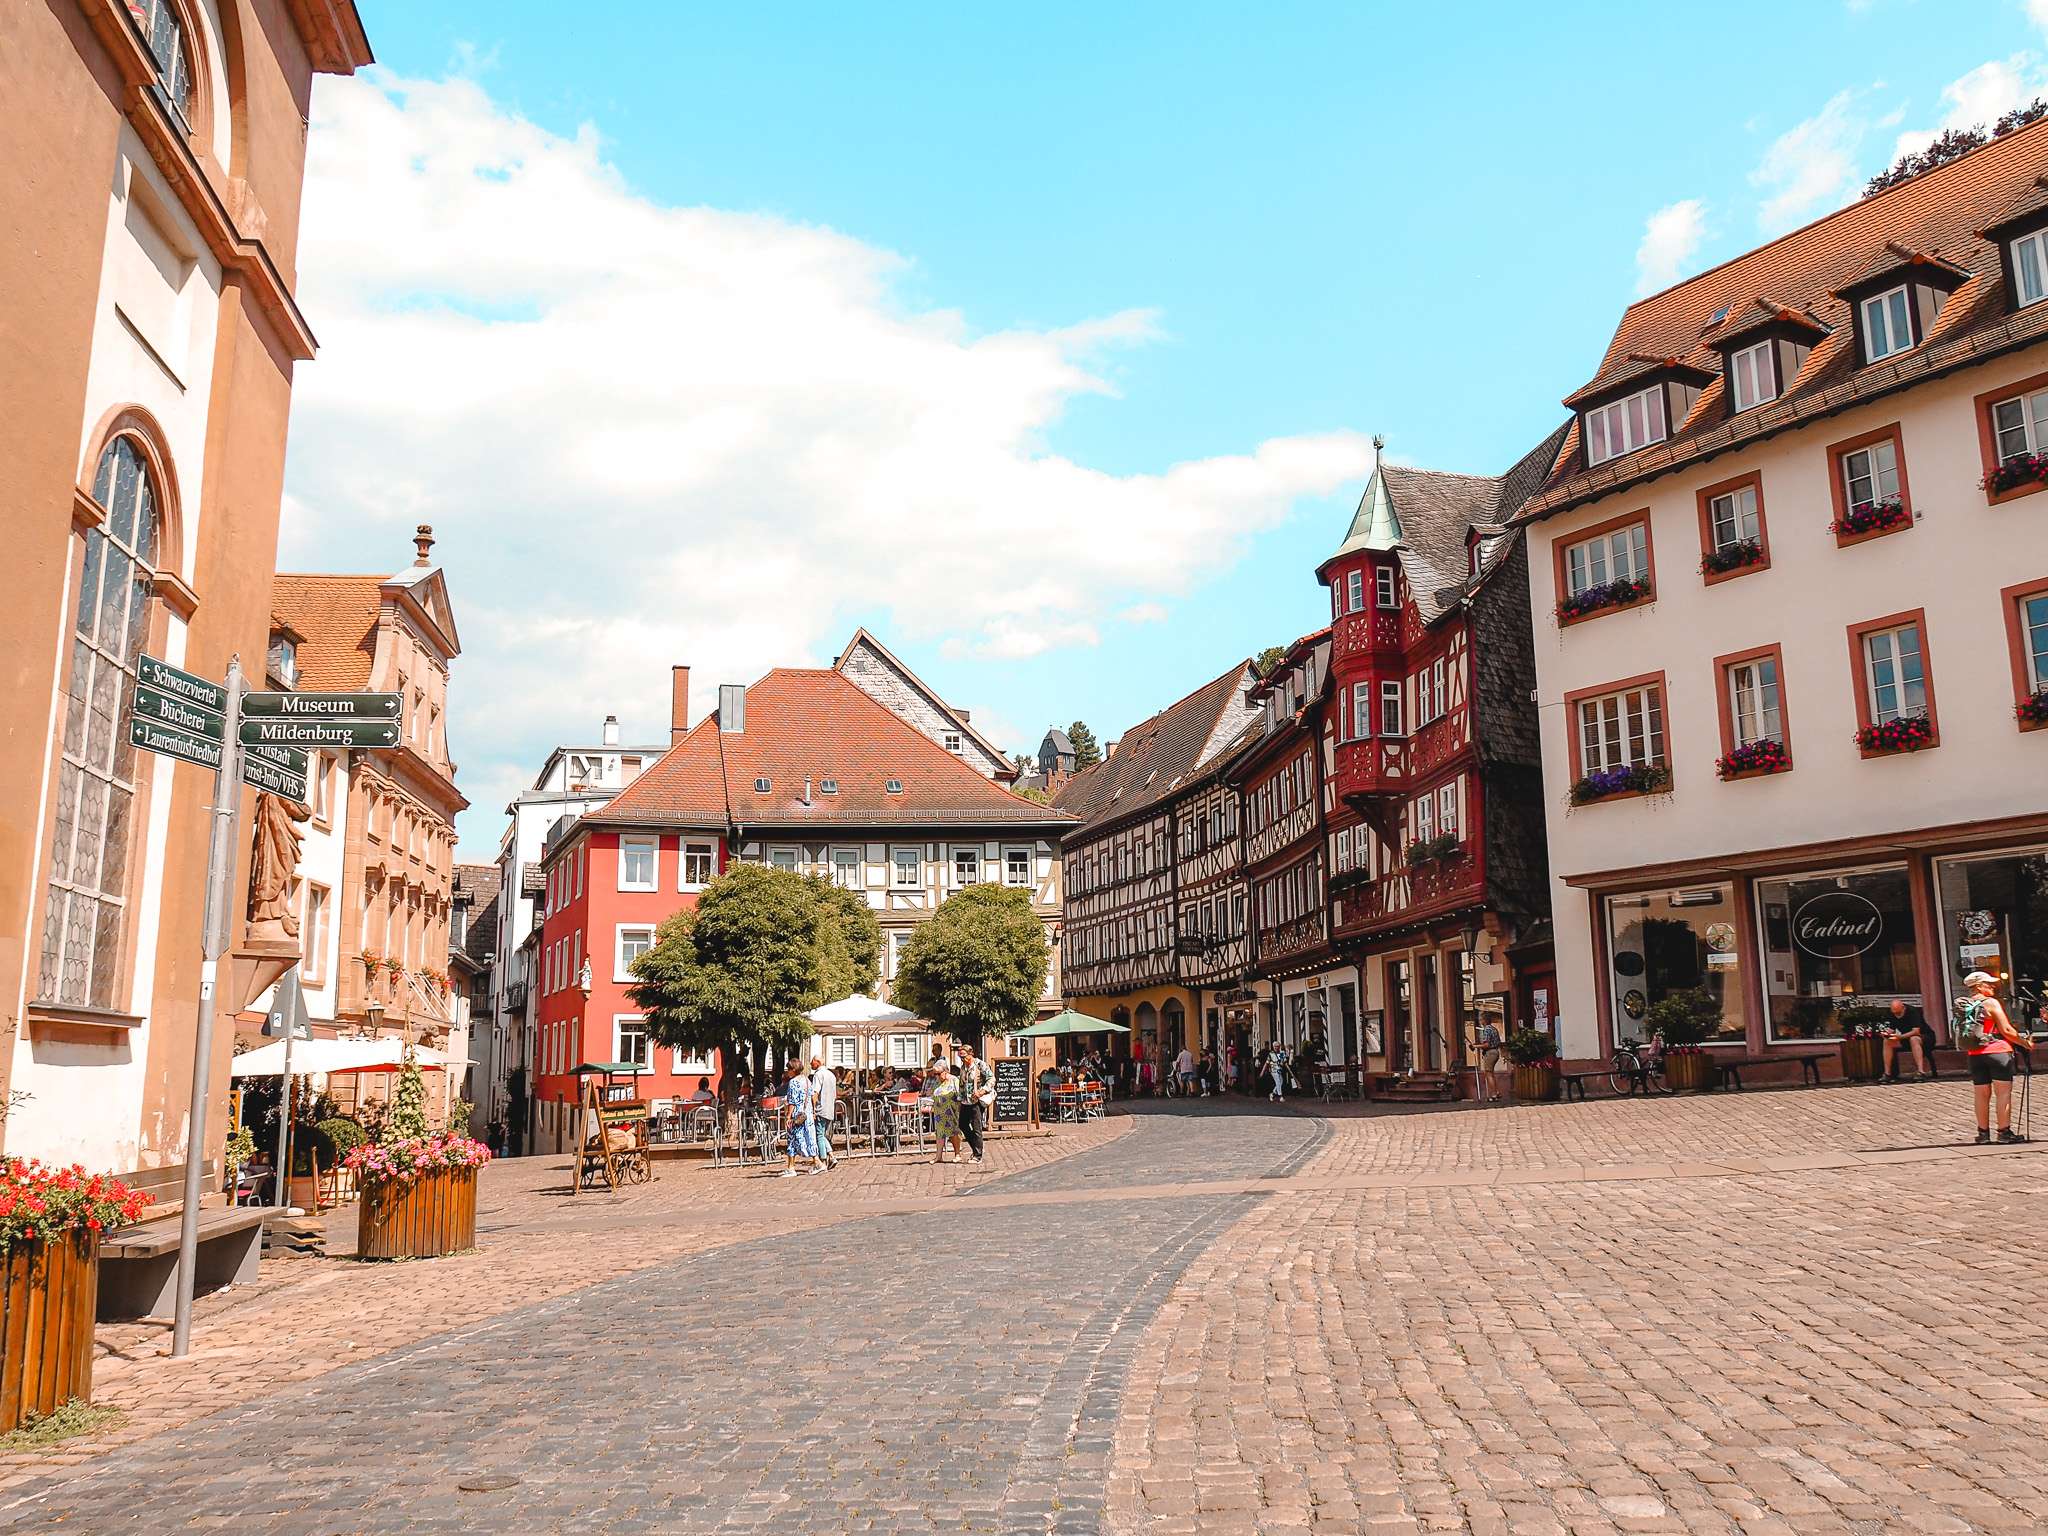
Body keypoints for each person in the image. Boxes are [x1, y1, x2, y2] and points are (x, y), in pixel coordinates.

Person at [1957, 971, 2030, 1144]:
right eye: (1988, 984)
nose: (1992, 986)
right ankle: (2004, 1132)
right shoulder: (1991, 1003)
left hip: (1974, 1054)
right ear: (1978, 986)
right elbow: (2006, 1031)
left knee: (1981, 1095)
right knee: (2003, 1093)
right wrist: (2025, 1043)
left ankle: (1983, 1134)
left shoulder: (1966, 1004)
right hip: (1997, 1051)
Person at [780, 1060, 819, 1176]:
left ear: (793, 1070)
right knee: (809, 1138)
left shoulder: (793, 1082)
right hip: (807, 1114)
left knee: (792, 1139)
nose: (787, 1072)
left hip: (797, 1115)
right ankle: (817, 1162)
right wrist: (813, 1111)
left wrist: (788, 1116)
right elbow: (813, 1097)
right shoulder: (807, 1080)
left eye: (789, 1069)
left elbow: (792, 1101)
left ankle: (791, 1167)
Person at [1882, 998, 1937, 1081]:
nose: (1897, 1015)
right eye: (1895, 1013)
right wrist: (1887, 1034)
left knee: (1914, 1039)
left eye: (1899, 1013)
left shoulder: (1912, 1011)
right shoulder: (1893, 1014)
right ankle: (1887, 1073)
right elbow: (1891, 1029)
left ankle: (1921, 1071)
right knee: (1887, 1041)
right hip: (1905, 1038)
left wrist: (1899, 1037)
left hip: (1925, 1037)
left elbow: (1916, 1031)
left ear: (1903, 1007)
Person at [957, 1044, 994, 1163]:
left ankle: (978, 1156)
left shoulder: (980, 1064)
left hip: (977, 1101)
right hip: (965, 1101)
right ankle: (977, 1147)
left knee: (976, 1127)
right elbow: (962, 1084)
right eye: (960, 1056)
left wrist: (982, 1091)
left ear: (970, 1054)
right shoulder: (963, 1067)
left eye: (963, 1056)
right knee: (962, 1124)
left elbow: (991, 1078)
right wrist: (959, 1098)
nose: (962, 1059)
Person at [929, 1061, 964, 1163]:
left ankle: (957, 1154)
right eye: (934, 1074)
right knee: (940, 1133)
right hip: (939, 1112)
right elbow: (933, 1093)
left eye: (938, 1073)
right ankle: (938, 1156)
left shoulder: (954, 1080)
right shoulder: (938, 1082)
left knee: (954, 1133)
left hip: (952, 1111)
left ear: (945, 1071)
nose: (936, 1076)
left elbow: (959, 1095)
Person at [809, 1055, 838, 1171]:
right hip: (830, 1108)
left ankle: (823, 1161)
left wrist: (813, 1109)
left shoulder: (818, 1074)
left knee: (819, 1135)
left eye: (812, 1062)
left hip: (821, 1109)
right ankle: (831, 1156)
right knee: (822, 1134)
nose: (811, 1064)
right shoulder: (831, 1074)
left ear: (818, 1062)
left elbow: (815, 1093)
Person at [1474, 1014, 1505, 1104]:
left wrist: (1475, 1046)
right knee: (1491, 1073)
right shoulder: (1494, 1029)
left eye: (1481, 1019)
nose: (1480, 1021)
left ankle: (1494, 1094)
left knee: (1488, 1074)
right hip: (1496, 1051)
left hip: (1490, 1052)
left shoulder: (1487, 1029)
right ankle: (1497, 1091)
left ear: (1484, 1020)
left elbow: (1486, 1045)